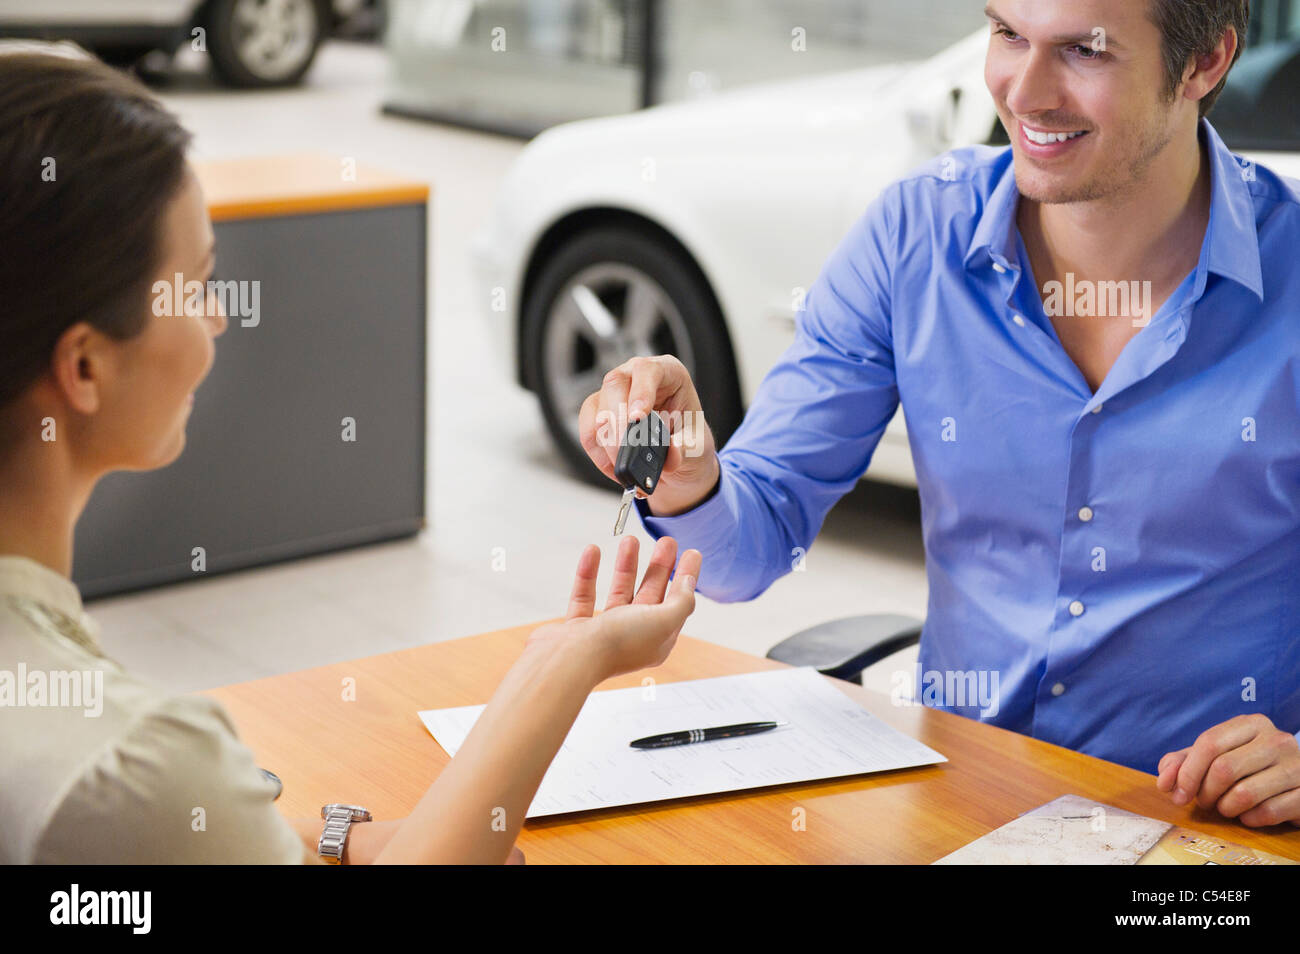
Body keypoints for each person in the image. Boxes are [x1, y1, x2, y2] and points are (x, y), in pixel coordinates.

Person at [582, 0, 1300, 828]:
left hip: (1206, 833)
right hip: (966, 806)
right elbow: (748, 549)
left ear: (1205, 62)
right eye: (1007, 35)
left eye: (1084, 51)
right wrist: (690, 479)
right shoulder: (914, 234)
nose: (1025, 91)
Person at [0, 49, 701, 864]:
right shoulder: (129, 765)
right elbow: (144, 810)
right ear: (84, 367)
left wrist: (349, 838)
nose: (220, 320)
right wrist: (572, 660)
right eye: (197, 285)